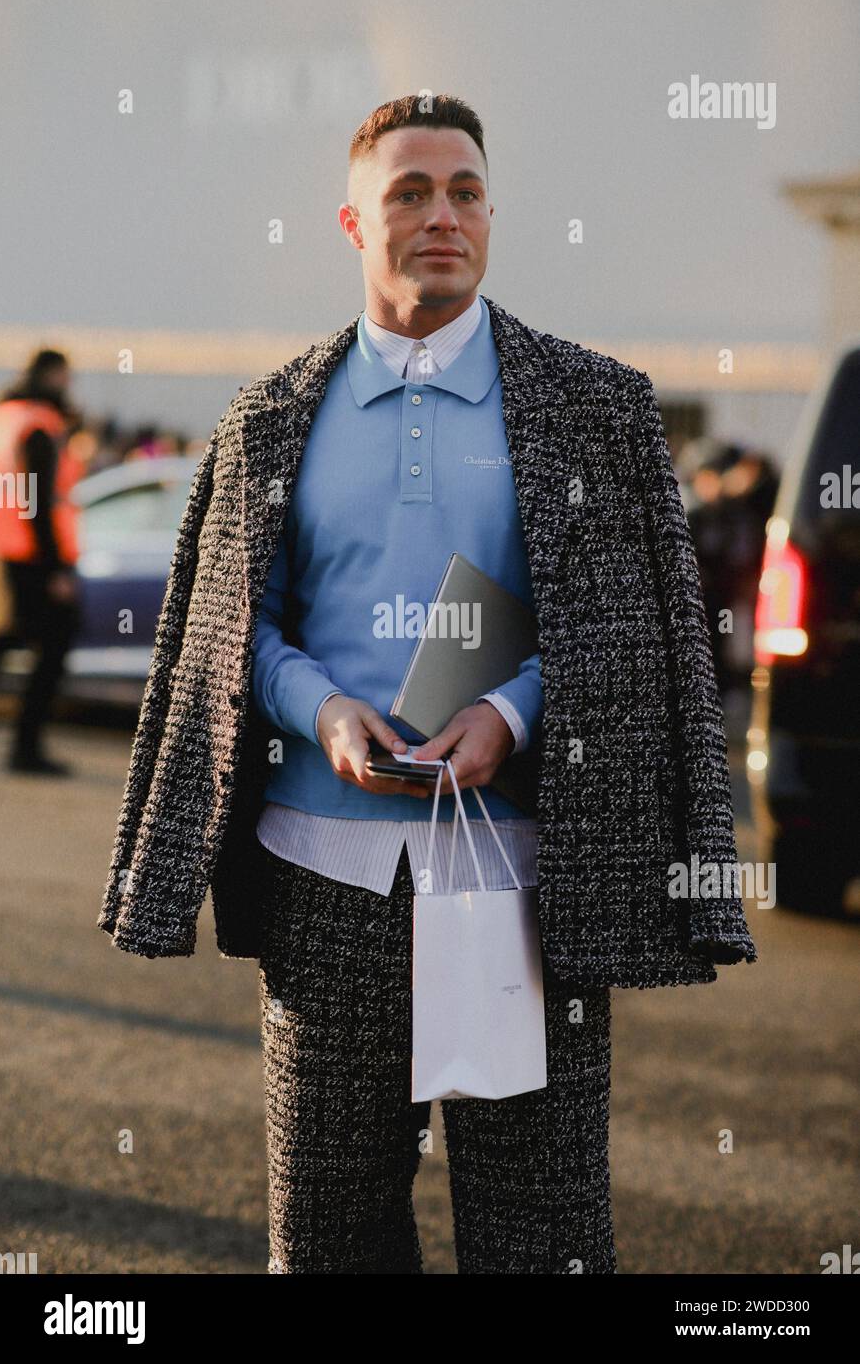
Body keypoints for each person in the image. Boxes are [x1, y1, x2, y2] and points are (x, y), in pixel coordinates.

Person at [98, 94, 757, 1275]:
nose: (438, 215)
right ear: (354, 221)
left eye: (462, 191)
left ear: (492, 215)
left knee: (543, 1241)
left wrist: (509, 713)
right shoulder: (268, 416)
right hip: (322, 880)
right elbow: (225, 633)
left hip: (526, 887)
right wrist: (320, 708)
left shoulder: (594, 406)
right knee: (329, 1241)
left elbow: (643, 635)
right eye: (408, 192)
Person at [0, 349, 84, 773]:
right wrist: (56, 569)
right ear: (52, 375)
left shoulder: (3, 417)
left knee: (11, 637)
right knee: (53, 643)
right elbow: (38, 504)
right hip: (34, 558)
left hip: (5, 550)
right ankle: (25, 749)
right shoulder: (38, 425)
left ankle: (24, 747)